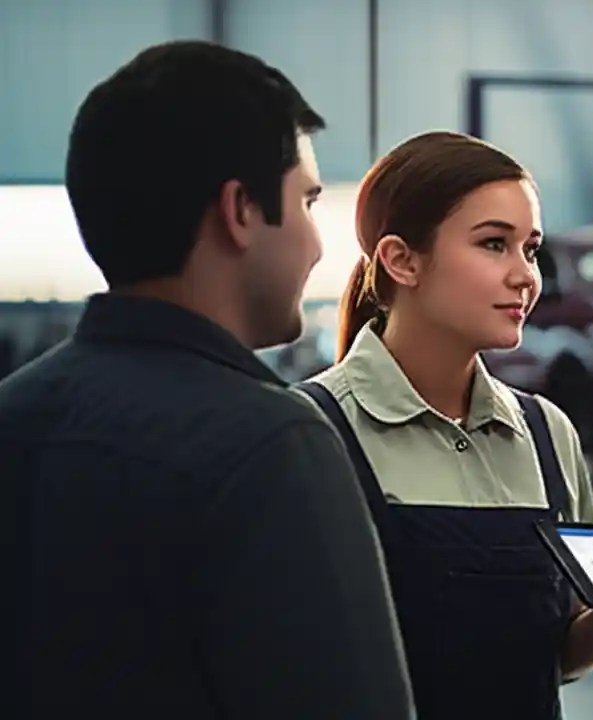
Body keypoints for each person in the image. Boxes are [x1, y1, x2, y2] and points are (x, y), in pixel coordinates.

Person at [4, 41, 414, 719]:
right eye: (307, 202)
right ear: (240, 210)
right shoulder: (271, 444)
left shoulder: (14, 415)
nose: (317, 244)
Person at [296, 130, 593, 718]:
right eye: (493, 245)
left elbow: (558, 656)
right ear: (402, 260)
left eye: (530, 250)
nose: (525, 276)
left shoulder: (545, 434)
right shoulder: (311, 432)